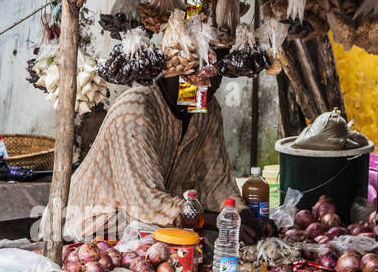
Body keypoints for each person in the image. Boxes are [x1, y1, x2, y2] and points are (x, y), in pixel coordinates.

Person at [61, 77, 276, 244]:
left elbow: (217, 184)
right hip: (91, 234)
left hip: (153, 237)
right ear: (172, 69)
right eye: (196, 70)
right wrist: (223, 221)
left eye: (216, 70)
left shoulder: (206, 109)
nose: (209, 81)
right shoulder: (135, 110)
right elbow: (145, 206)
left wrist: (244, 215)